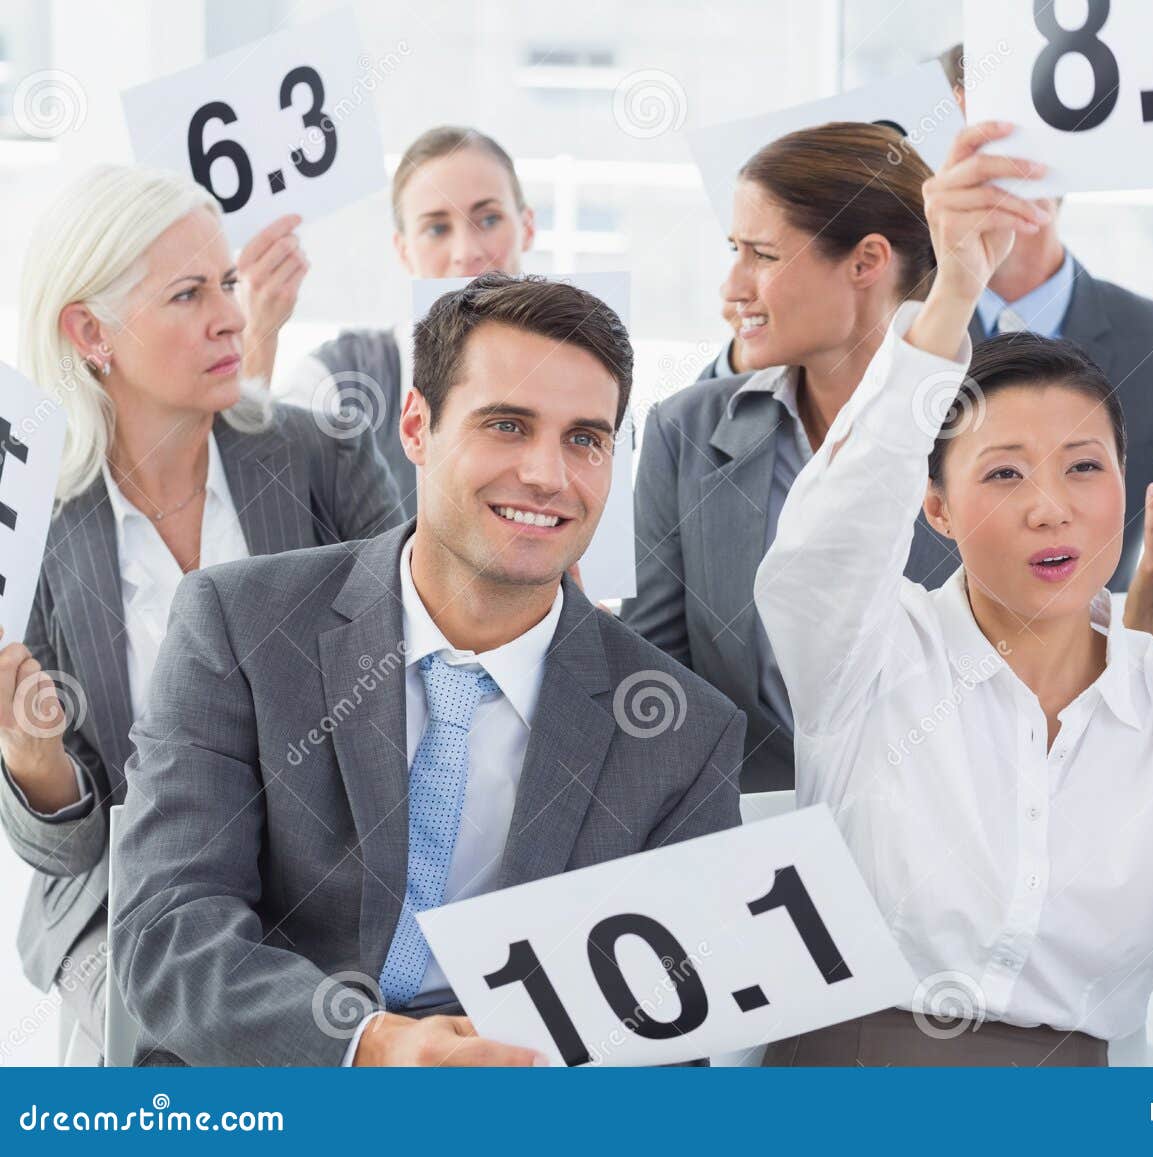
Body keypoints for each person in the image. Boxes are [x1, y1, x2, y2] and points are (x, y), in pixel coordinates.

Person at [753, 122, 1153, 1066]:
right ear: (937, 508)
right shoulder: (868, 654)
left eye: (1086, 467)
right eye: (1003, 474)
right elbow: (824, 545)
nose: (1053, 508)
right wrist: (954, 290)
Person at [112, 273, 744, 1066]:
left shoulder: (682, 729)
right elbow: (169, 925)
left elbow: (665, 1031)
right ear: (416, 426)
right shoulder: (238, 625)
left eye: (585, 438)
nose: (549, 475)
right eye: (508, 425)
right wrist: (369, 1047)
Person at [630, 122, 1153, 793]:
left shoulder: (991, 440)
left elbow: (1046, 664)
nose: (730, 288)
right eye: (736, 251)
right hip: (744, 848)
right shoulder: (688, 428)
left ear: (867, 262)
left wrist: (1136, 628)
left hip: (960, 834)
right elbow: (657, 681)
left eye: (760, 254)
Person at [0, 165, 402, 1064]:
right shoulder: (33, 522)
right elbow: (64, 852)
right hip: (128, 895)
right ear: (89, 330)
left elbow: (419, 641)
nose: (231, 314)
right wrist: (34, 762)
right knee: (176, 1045)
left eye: (227, 282)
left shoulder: (319, 454)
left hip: (328, 872)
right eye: (189, 294)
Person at [694, 45, 1153, 614]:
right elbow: (727, 435)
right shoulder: (883, 318)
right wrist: (751, 350)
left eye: (1026, 133)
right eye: (980, 139)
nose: (1007, 162)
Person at [265, 126, 537, 515]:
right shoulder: (338, 381)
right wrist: (259, 333)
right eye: (437, 228)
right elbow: (265, 497)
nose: (466, 252)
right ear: (404, 250)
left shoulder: (581, 372)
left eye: (489, 220)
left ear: (526, 227)